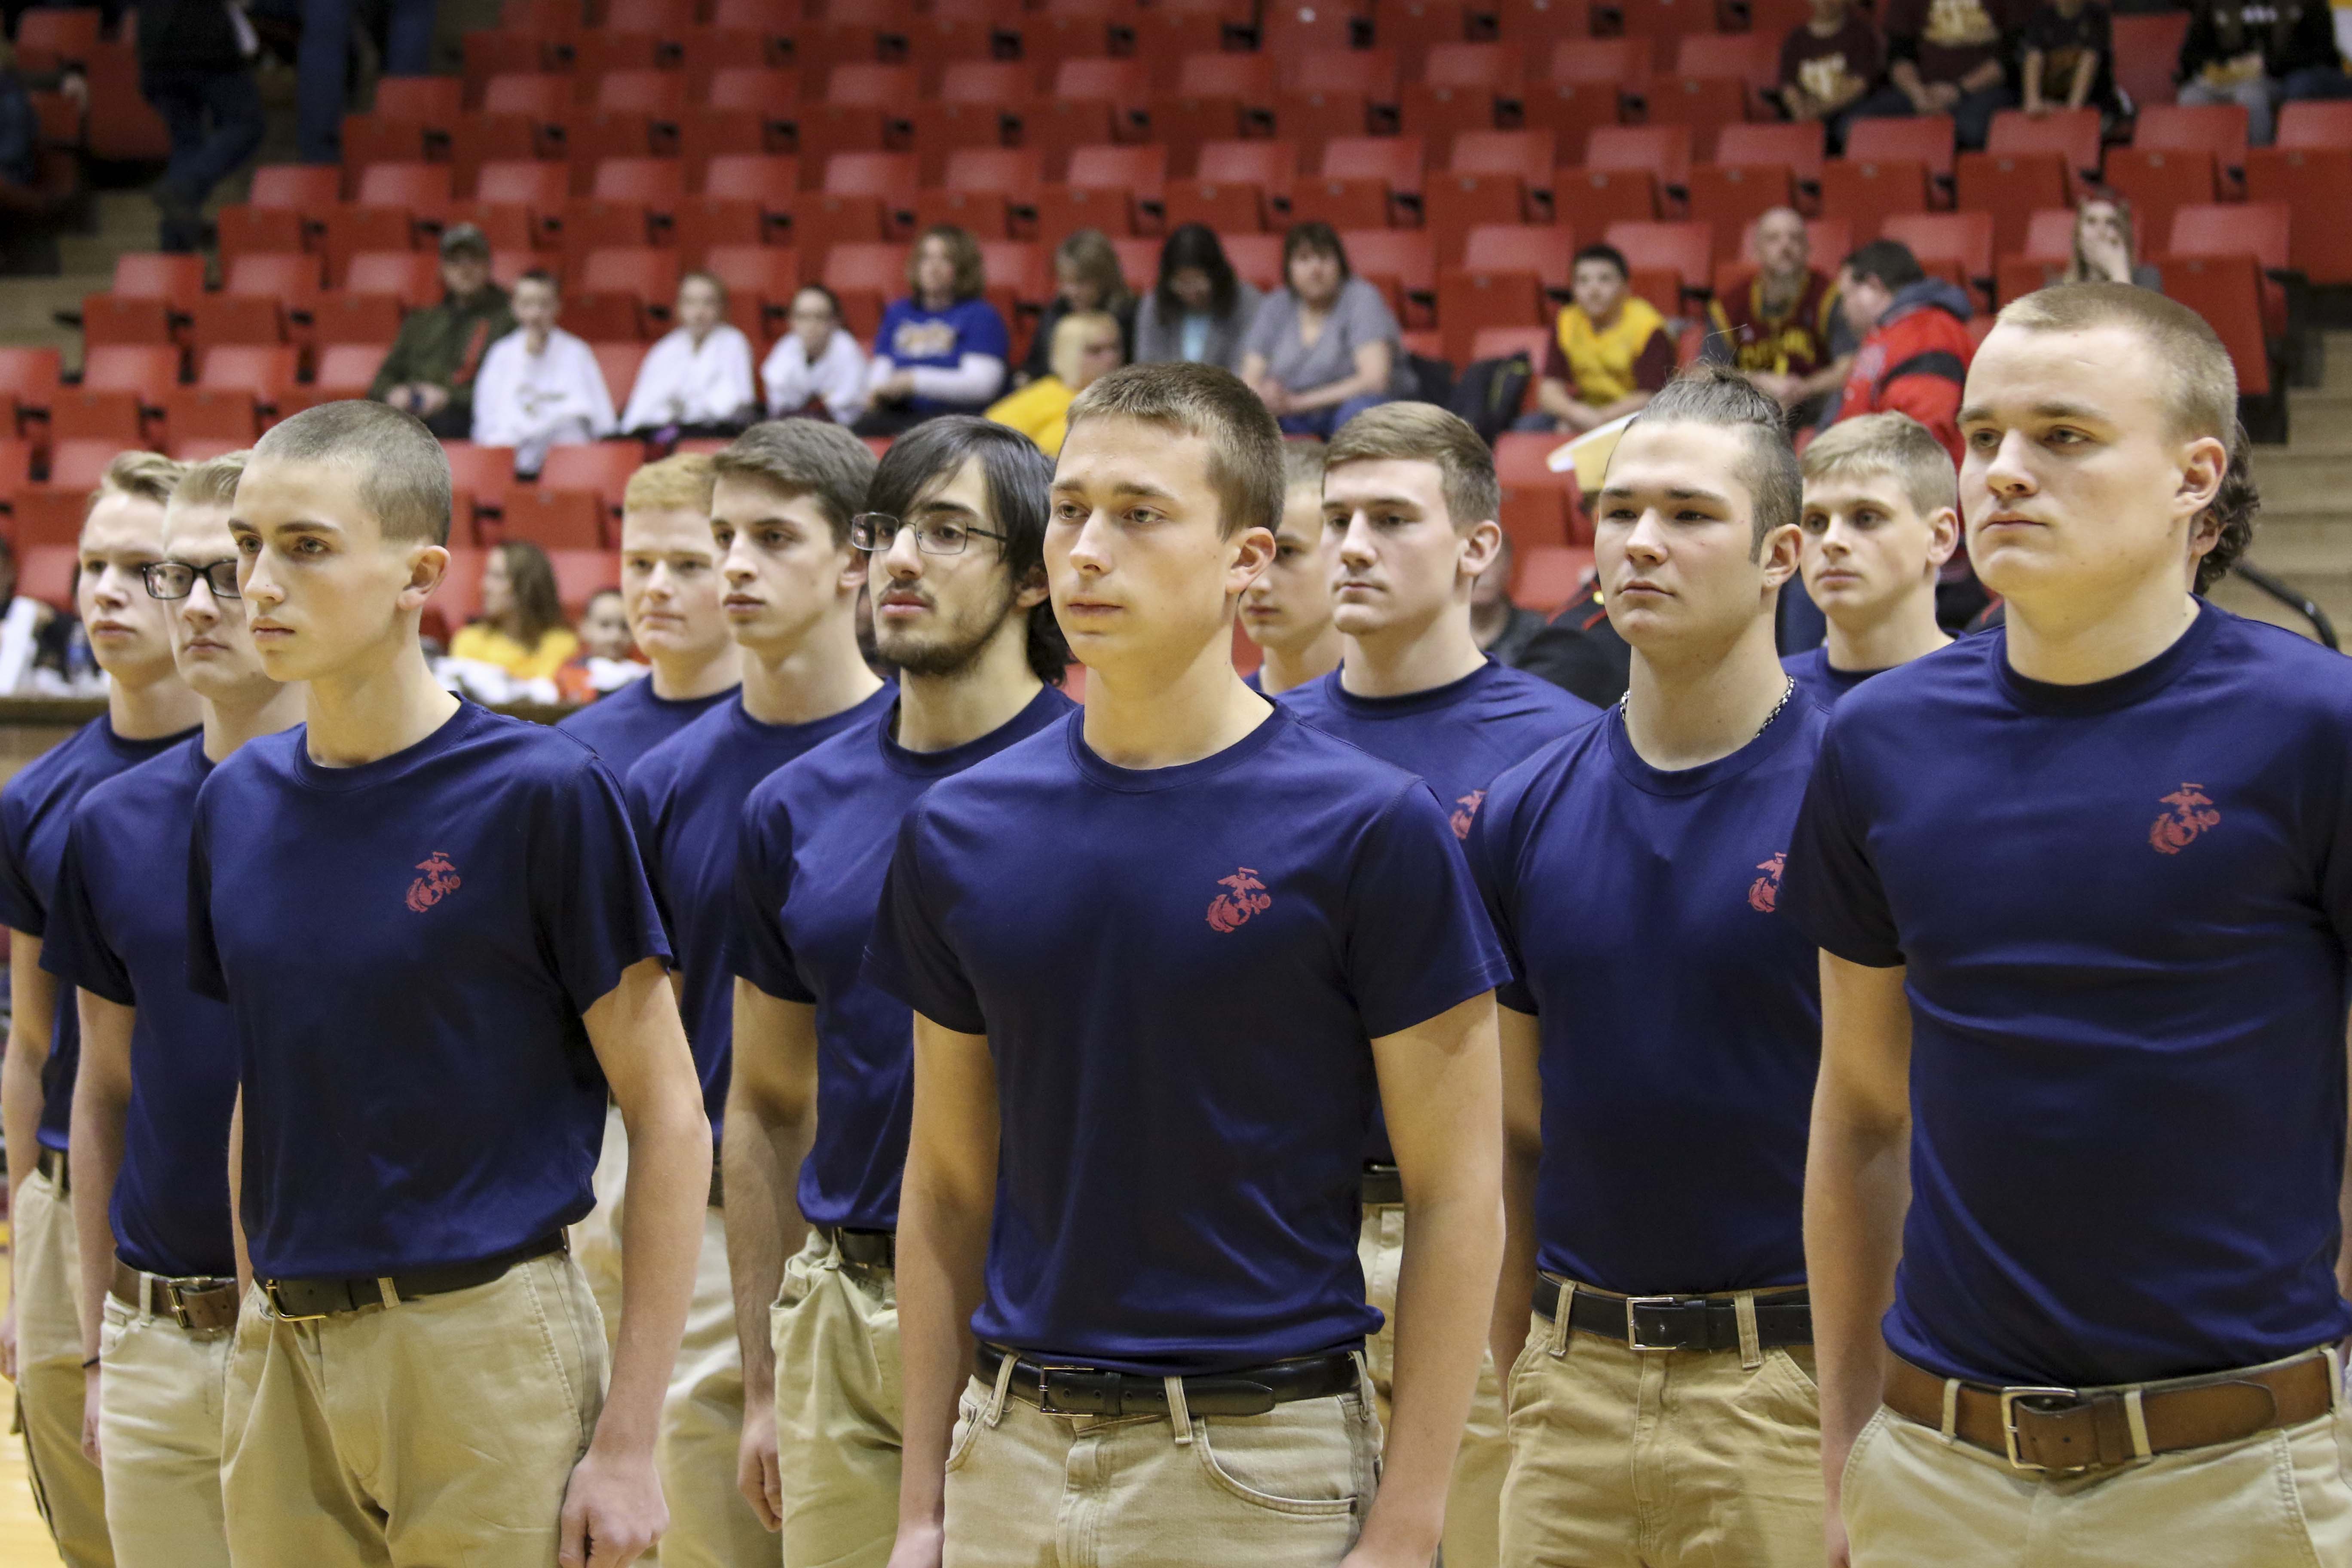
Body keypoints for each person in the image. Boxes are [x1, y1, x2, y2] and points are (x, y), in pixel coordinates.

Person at [870, 361, 1507, 1568]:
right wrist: (922, 1508)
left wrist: (1414, 1519)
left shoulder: (1372, 827)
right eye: (1069, 510)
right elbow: (948, 1184)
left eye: (1141, 514)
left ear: (1248, 560)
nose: (1087, 551)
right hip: (1005, 1449)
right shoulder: (959, 829)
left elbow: (1458, 1190)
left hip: (1260, 1465)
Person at [1783, 282, 2352, 1565]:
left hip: (2242, 1477)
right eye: (1984, 436)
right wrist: (1848, 1445)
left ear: (2194, 477)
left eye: (2066, 436)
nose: (2005, 473)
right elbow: (1863, 1104)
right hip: (1936, 1479)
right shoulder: (1878, 741)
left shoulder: (2319, 726)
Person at [201, 400, 706, 1568]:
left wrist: (630, 1438)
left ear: (416, 572)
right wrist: (249, 1318)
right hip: (282, 1345)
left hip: (484, 1345)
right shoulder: (234, 802)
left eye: (306, 547)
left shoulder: (544, 793)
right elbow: (260, 1083)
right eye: (246, 545)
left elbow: (672, 1112)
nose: (258, 582)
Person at [1469, 364, 1828, 1568]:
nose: (1640, 544)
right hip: (1570, 1388)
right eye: (1621, 512)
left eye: (1688, 515)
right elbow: (1516, 1132)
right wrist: (1518, 1360)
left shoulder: (1864, 794)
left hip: (1793, 1383)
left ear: (1780, 553)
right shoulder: (1522, 812)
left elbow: (1913, 1117)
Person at [726, 417, 1074, 1568]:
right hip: (837, 1310)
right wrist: (768, 1377)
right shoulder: (791, 806)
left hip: (1034, 1313)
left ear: (1034, 576)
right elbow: (768, 1103)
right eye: (885, 531)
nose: (901, 561)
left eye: (946, 531)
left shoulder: (1095, 784)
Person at [1279, 402, 1596, 1568]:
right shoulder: (1259, 739)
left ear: (1476, 550)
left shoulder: (1565, 747)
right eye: (1339, 519)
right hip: (1290, 1231)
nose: (1354, 545)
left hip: (1477, 1229)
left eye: (1392, 519)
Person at [623, 421, 895, 1568]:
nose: (732, 564)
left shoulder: (939, 757)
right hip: (711, 1231)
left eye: (770, 538)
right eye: (723, 536)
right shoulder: (656, 785)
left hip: (902, 1228)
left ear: (855, 561)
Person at [42, 452, 303, 1568]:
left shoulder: (434, 801)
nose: (196, 605)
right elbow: (101, 1091)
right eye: (174, 577)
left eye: (228, 573)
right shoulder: (108, 825)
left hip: (351, 1337)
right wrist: (103, 1348)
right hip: (157, 1331)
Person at [0, 450, 200, 1568]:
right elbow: (34, 1044)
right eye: (94, 567)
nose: (109, 592)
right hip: (74, 1196)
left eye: (149, 570)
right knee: (92, 1536)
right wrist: (33, 1256)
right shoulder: (38, 798)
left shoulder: (269, 776)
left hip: (225, 1201)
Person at [556, 453, 743, 1355]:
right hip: (603, 1130)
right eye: (639, 565)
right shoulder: (575, 749)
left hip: (746, 1130)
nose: (656, 588)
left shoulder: (792, 734)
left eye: (688, 565)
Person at [1782, 413, 1957, 709]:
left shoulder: (1986, 694)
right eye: (1815, 522)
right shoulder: (1766, 702)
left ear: (1939, 537)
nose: (1831, 541)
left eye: (1866, 518)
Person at [1239, 222, 1401, 437]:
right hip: (1288, 415)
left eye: (1324, 258)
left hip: (1344, 408)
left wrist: (1298, 403)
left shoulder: (1361, 298)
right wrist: (1266, 393)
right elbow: (1250, 377)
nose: (1316, 269)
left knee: (1360, 413)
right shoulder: (1275, 305)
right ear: (1289, 268)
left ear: (1340, 265)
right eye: (1304, 259)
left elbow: (1375, 380)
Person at [856, 226, 1011, 438]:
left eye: (945, 260)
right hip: (899, 414)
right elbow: (882, 367)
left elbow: (983, 385)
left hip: (957, 422)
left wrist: (914, 381)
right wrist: (877, 391)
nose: (933, 268)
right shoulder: (898, 312)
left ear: (963, 268)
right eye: (927, 258)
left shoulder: (981, 315)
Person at [1831, 240, 1975, 468]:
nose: (1842, 309)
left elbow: (1923, 443)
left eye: (1846, 296)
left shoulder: (1927, 334)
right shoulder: (1893, 333)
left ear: (1873, 287)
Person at [135, 0, 263, 252]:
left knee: (186, 145)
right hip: (205, 41)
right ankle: (187, 185)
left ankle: (175, 257)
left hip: (154, 47)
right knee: (248, 124)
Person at [1704, 208, 1854, 424]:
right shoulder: (1729, 306)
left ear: (1808, 248)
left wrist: (1804, 388)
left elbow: (1850, 367)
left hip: (1813, 406)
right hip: (1748, 404)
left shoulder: (1829, 298)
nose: (1785, 247)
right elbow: (1703, 371)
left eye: (1795, 238)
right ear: (1757, 250)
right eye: (1773, 239)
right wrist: (1758, 381)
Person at [369, 223, 515, 440]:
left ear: (489, 265)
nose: (465, 269)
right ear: (443, 269)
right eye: (455, 262)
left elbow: (512, 388)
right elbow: (382, 379)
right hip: (411, 417)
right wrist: (395, 393)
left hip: (468, 419)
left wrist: (449, 398)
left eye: (473, 260)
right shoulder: (421, 320)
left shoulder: (509, 320)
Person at [472, 269, 618, 477]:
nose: (535, 314)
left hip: (567, 463)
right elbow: (487, 423)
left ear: (557, 307)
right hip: (511, 462)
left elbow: (601, 421)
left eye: (544, 304)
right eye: (527, 304)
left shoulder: (578, 352)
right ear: (514, 307)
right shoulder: (500, 354)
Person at [1529, 245, 1674, 437]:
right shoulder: (1567, 321)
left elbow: (1651, 396)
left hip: (1635, 417)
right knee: (1526, 428)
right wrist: (1575, 414)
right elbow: (1548, 391)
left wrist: (1599, 421)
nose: (1593, 289)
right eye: (1583, 281)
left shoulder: (1649, 327)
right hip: (1584, 413)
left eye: (1604, 279)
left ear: (1626, 287)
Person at [1238, 440, 1344, 695]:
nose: (1257, 584)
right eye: (1244, 556)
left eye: (1286, 552)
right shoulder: (1211, 727)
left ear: (1346, 554)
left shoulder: (1413, 719)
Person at [1851, 0, 2022, 149]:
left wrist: (1959, 90)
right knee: (1854, 126)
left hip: (1985, 90)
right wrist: (1917, 93)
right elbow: (1898, 54)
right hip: (1920, 91)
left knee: (1969, 129)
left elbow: (2015, 54)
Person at [2178, 0, 2352, 144]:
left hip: (2276, 77)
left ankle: (2258, 161)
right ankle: (2206, 170)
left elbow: (2323, 52)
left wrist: (2267, 65)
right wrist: (2221, 65)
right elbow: (2192, 53)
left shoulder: (2306, 4)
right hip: (2224, 79)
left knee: (2251, 95)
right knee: (2191, 96)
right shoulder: (2214, 4)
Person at [622, 272, 760, 441]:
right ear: (679, 307)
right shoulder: (664, 349)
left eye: (708, 303)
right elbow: (644, 408)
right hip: (664, 434)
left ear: (721, 308)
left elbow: (736, 404)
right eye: (691, 303)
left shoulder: (734, 342)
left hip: (712, 436)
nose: (699, 312)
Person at [982, 309, 1125, 456]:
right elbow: (986, 443)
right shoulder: (1039, 397)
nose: (1111, 358)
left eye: (1115, 348)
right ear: (1069, 353)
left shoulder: (1127, 401)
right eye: (1095, 350)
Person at [1015, 229, 1136, 388]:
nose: (1071, 292)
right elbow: (1033, 369)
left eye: (1081, 282)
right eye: (1064, 281)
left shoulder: (1127, 315)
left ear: (1104, 279)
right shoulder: (1055, 313)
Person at [1133, 223, 1262, 371]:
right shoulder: (1154, 303)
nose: (1191, 292)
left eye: (1198, 281)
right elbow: (1146, 366)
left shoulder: (1247, 301)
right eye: (1181, 282)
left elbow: (1248, 365)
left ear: (1216, 275)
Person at [448, 538, 580, 683]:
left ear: (526, 587)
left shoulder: (562, 645)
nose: (485, 586)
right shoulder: (469, 640)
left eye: (498, 576)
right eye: (488, 575)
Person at [1777, 0, 1885, 150]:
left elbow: (1860, 84)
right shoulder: (1796, 39)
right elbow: (1788, 84)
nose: (1827, 2)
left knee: (1848, 128)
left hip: (1848, 113)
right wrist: (1799, 109)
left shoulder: (1862, 34)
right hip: (1806, 114)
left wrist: (1819, 110)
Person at [763, 285, 869, 426]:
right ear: (791, 321)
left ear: (835, 321)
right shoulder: (785, 348)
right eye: (803, 317)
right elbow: (779, 401)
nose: (811, 325)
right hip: (791, 427)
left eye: (819, 317)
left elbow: (847, 405)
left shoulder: (847, 349)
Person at [2021, 0, 2122, 121]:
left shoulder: (2097, 15)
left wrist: (2072, 109)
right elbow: (2034, 58)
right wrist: (2033, 101)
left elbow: (2090, 59)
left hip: (2094, 102)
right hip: (2052, 103)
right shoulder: (2042, 17)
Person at [557, 588, 642, 706]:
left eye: (625, 627)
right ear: (584, 628)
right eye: (605, 625)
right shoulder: (567, 676)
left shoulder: (643, 676)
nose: (615, 636)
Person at [1471, 536, 1547, 668]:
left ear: (1509, 568)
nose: (1482, 571)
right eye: (1473, 559)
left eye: (1492, 560)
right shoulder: (1436, 635)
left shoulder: (1538, 634)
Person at [2058, 195, 2162, 289]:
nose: (2101, 231)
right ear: (2078, 235)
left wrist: (2118, 272)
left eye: (2110, 223)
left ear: (2124, 235)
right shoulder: (2055, 288)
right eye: (2091, 221)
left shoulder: (2148, 279)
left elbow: (2130, 310)